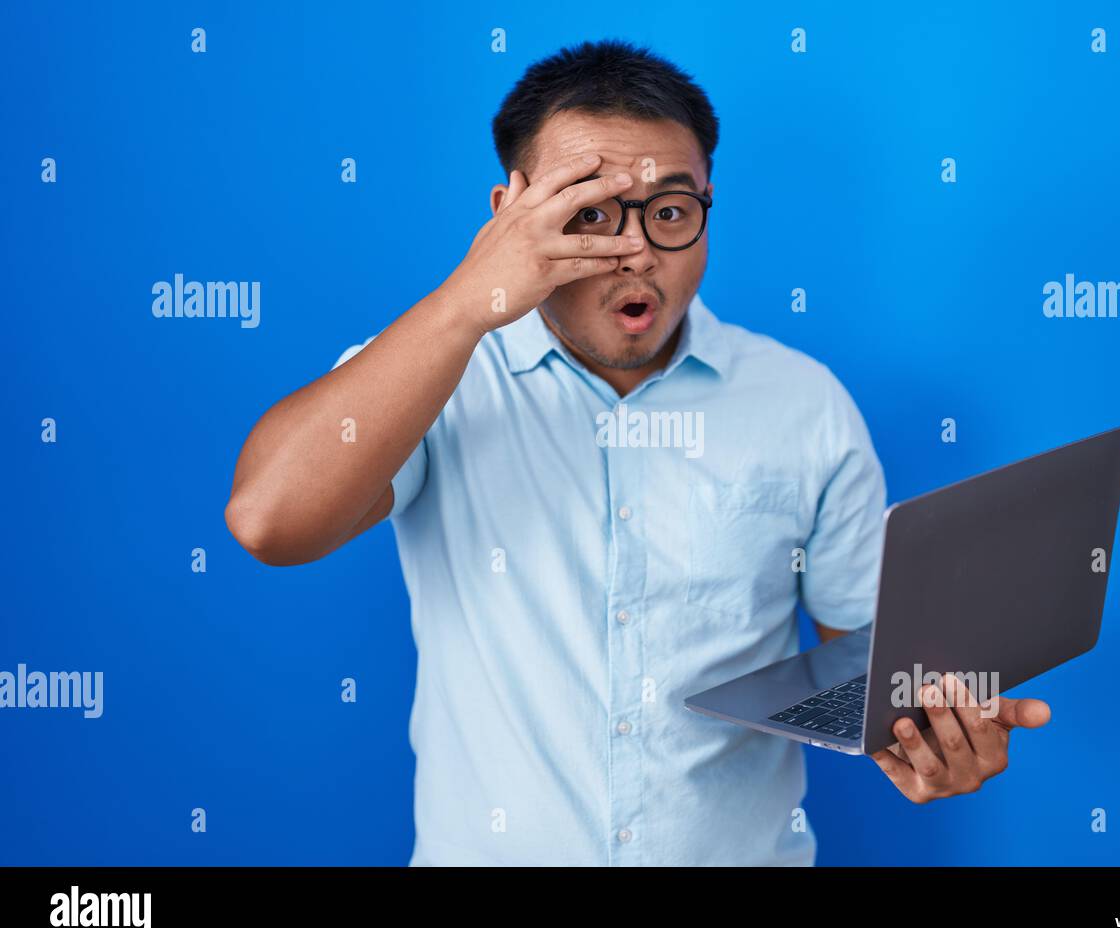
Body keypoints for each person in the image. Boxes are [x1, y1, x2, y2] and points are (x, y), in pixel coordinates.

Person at [225, 39, 1049, 866]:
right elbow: (270, 521)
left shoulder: (804, 403)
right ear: (509, 214)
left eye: (671, 211)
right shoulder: (438, 376)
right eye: (590, 213)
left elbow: (873, 664)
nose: (638, 251)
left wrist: (934, 732)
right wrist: (471, 297)